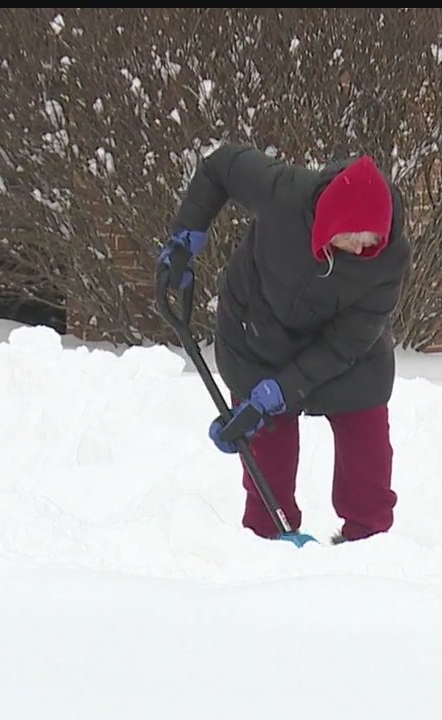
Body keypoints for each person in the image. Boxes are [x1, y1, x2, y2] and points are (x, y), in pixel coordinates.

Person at [157, 141, 412, 544]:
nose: (364, 248)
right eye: (354, 237)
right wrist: (185, 237)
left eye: (372, 239)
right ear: (330, 222)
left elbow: (346, 345)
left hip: (345, 356)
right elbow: (220, 166)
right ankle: (267, 546)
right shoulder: (285, 194)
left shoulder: (388, 259)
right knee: (267, 468)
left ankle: (369, 549)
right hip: (257, 334)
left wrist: (280, 391)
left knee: (368, 460)